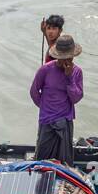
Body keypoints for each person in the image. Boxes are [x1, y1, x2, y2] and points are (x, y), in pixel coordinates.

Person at [29, 34, 83, 167]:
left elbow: (76, 98)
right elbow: (34, 92)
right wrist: (45, 108)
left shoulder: (77, 72)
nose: (65, 60)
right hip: (47, 120)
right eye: (62, 58)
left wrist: (69, 78)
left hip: (65, 121)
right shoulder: (45, 70)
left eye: (68, 57)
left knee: (65, 162)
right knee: (42, 160)